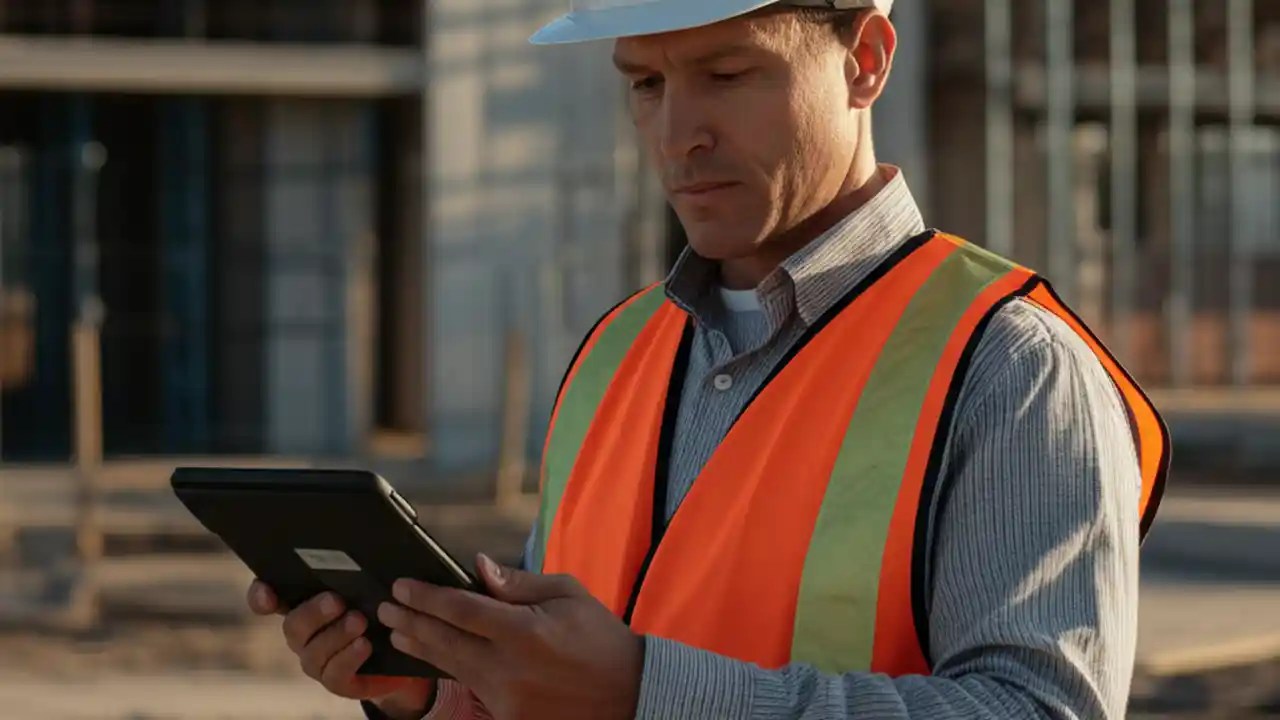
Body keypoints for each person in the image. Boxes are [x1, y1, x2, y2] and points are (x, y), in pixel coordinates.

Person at [247, 0, 1171, 718]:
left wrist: (642, 695)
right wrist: (432, 689)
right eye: (646, 83)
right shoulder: (617, 352)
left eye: (727, 74)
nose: (676, 135)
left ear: (866, 60)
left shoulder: (1010, 367)